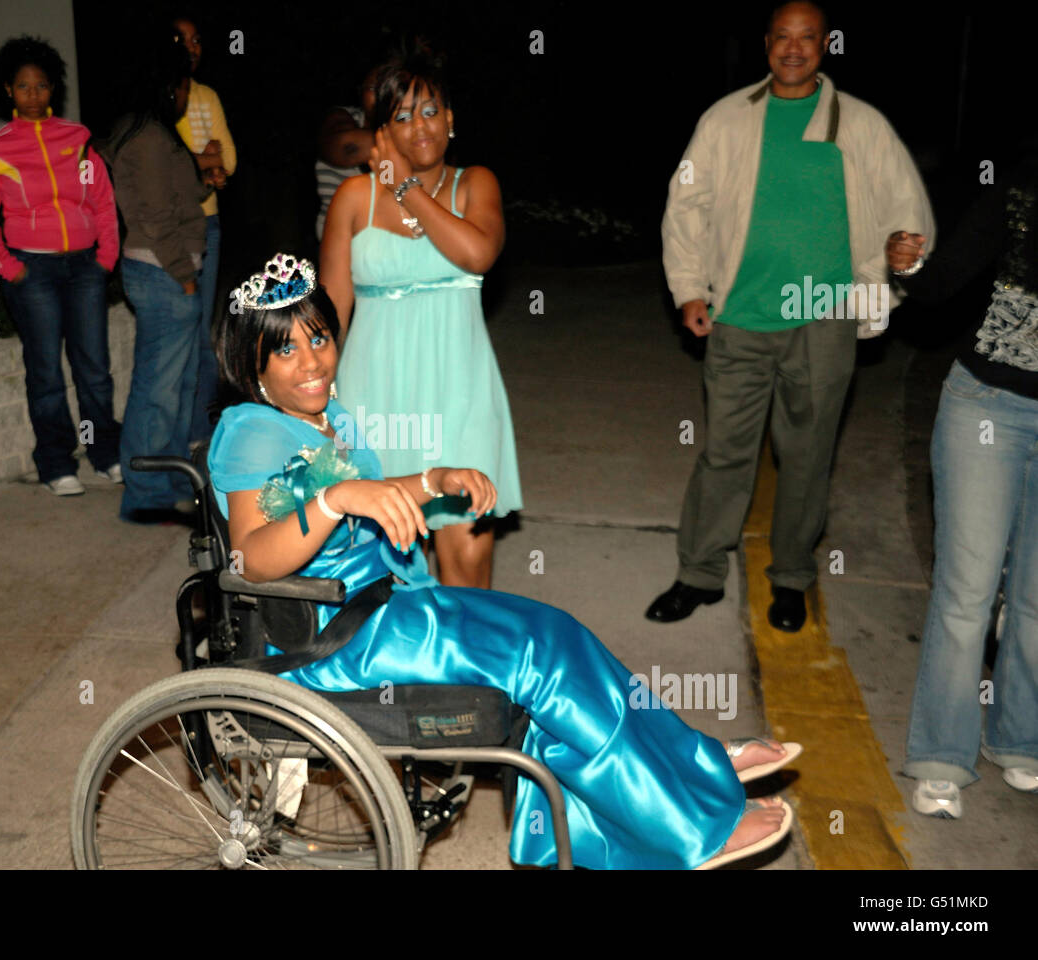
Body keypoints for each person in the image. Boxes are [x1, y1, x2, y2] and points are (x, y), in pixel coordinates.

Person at [207, 252, 802, 869]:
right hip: (328, 635)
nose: (311, 362)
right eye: (285, 351)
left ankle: (687, 760)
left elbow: (374, 493)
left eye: (319, 338)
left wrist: (436, 479)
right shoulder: (253, 430)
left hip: (379, 603)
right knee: (535, 659)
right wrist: (333, 498)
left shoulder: (327, 415)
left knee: (553, 628)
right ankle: (685, 828)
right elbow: (251, 558)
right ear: (252, 365)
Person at [649, 1, 934, 629]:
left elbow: (906, 215)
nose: (795, 48)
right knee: (724, 453)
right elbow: (686, 205)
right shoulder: (726, 119)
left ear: (826, 45)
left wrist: (901, 260)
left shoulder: (861, 125)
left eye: (808, 38)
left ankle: (792, 579)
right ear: (767, 45)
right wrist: (689, 288)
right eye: (784, 37)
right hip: (741, 316)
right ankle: (699, 574)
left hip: (824, 318)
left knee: (807, 458)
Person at [321, 40, 522, 589]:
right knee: (375, 575)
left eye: (430, 110)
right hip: (372, 397)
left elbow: (477, 253)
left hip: (462, 395)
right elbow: (331, 311)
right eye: (401, 117)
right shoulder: (353, 200)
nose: (420, 127)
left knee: (466, 570)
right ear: (381, 133)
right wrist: (316, 403)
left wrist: (404, 187)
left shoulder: (475, 184)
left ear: (451, 118)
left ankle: (468, 676)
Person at [886, 147, 1038, 818]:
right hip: (989, 408)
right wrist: (909, 263)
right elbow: (943, 277)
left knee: (1035, 601)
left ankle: (1020, 739)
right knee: (967, 593)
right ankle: (943, 756)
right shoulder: (1020, 187)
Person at [0, 35, 122, 496]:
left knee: (94, 368)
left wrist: (105, 259)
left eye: (41, 86)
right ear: (7, 91)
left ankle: (105, 453)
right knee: (46, 373)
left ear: (52, 88)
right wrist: (10, 268)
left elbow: (102, 200)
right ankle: (57, 463)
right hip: (31, 273)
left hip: (85, 269)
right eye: (23, 87)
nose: (33, 95)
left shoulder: (78, 140)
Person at [98, 42, 211, 522]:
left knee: (177, 387)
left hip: (165, 268)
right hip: (162, 270)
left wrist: (204, 176)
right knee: (157, 391)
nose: (186, 93)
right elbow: (155, 214)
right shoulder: (145, 136)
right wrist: (184, 278)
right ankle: (144, 495)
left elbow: (178, 197)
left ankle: (168, 483)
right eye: (182, 85)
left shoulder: (150, 130)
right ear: (168, 87)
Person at [171, 14, 236, 449]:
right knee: (179, 330)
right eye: (182, 40)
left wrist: (211, 164)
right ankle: (183, 431)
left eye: (197, 40)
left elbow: (227, 160)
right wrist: (203, 162)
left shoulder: (207, 95)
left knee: (201, 329)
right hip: (168, 226)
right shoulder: (159, 99)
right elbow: (172, 169)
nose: (192, 48)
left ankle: (201, 432)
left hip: (207, 222)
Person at [314, 67, 378, 241]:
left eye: (391, 86)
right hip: (339, 236)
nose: (383, 93)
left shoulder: (406, 128)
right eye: (375, 87)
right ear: (360, 90)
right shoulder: (340, 116)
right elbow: (345, 147)